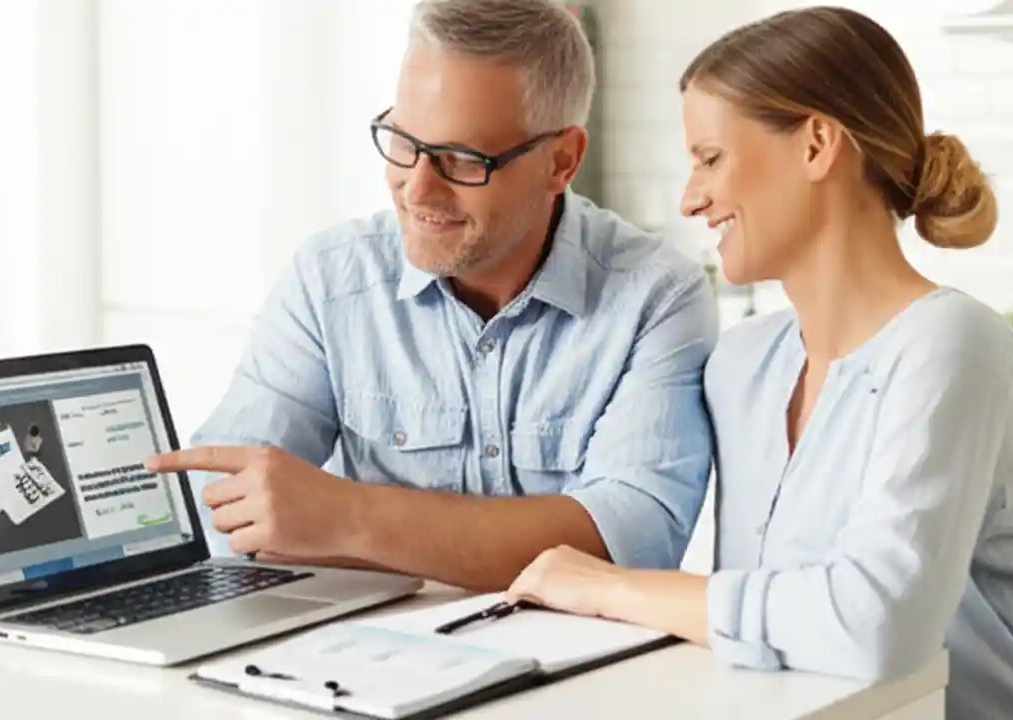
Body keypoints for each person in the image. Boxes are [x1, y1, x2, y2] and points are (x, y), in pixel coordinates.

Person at [504, 7, 1013, 718]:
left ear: (815, 145)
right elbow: (767, 635)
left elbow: (875, 625)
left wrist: (607, 586)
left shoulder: (954, 342)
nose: (691, 197)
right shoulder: (744, 365)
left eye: (710, 158)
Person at [145, 0, 717, 591]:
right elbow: (221, 509)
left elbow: (630, 540)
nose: (418, 188)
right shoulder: (331, 280)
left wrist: (343, 517)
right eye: (402, 141)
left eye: (462, 159)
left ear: (561, 161)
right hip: (358, 664)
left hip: (579, 673)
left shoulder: (656, 297)